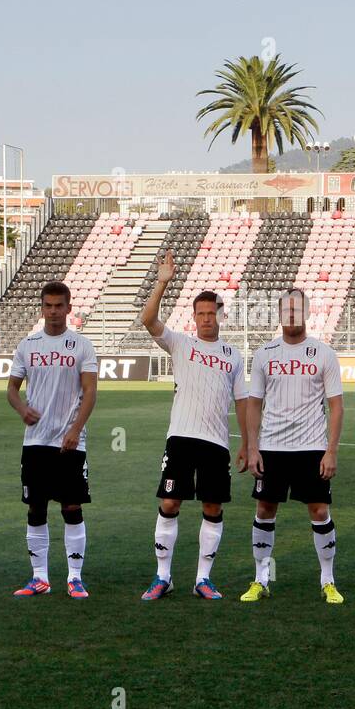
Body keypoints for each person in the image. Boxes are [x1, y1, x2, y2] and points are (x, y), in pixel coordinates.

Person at [138, 251, 249, 601]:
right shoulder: (180, 343)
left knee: (212, 507)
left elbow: (243, 402)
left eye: (210, 314)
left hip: (216, 443)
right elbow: (148, 319)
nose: (205, 319)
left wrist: (249, 443)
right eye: (200, 314)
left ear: (219, 316)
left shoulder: (233, 355)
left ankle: (203, 579)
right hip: (181, 439)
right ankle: (163, 576)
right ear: (194, 317)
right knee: (170, 502)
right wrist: (162, 282)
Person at [241, 288, 345, 604]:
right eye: (286, 310)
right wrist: (254, 447)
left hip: (312, 447)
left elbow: (336, 406)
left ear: (307, 312)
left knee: (319, 509)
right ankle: (261, 579)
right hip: (272, 448)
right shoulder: (264, 354)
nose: (291, 315)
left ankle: (327, 580)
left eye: (297, 309)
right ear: (279, 313)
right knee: (265, 508)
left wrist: (331, 450)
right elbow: (253, 404)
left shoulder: (324, 353)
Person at [7, 281, 98, 599]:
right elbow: (11, 389)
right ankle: (39, 577)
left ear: (69, 308)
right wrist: (22, 409)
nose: (54, 311)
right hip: (35, 443)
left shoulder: (81, 346)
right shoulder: (28, 346)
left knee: (72, 507)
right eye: (48, 305)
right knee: (36, 508)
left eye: (60, 305)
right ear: (42, 308)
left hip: (70, 443)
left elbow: (90, 392)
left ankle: (74, 577)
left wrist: (75, 430)